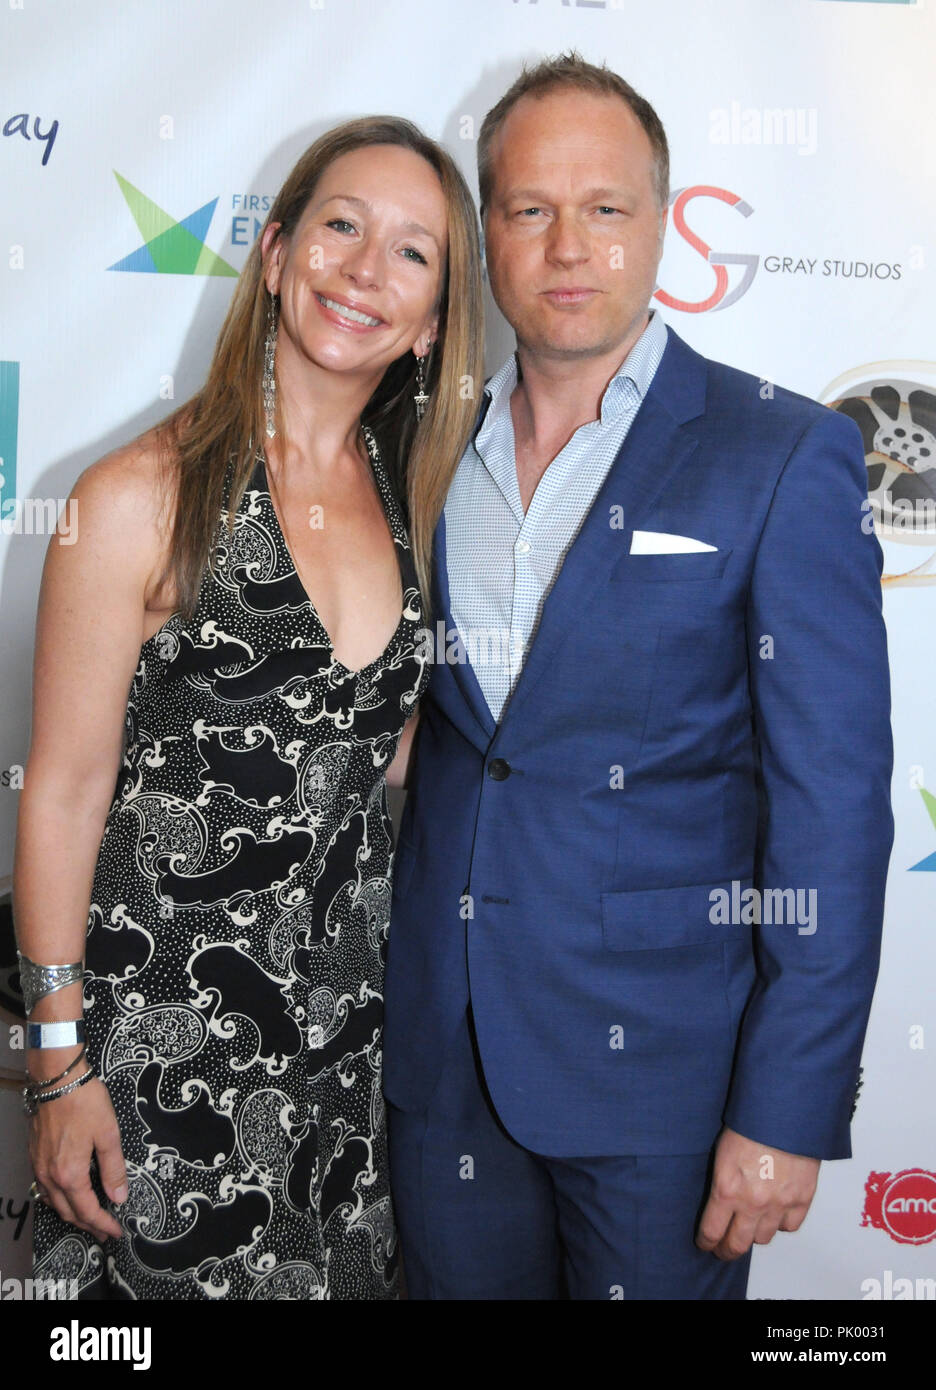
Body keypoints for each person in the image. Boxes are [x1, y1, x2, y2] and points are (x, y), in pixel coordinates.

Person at [383, 53, 894, 1300]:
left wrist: (788, 1105)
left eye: (605, 208)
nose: (569, 245)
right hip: (443, 1066)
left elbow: (832, 815)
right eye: (529, 208)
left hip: (668, 1086)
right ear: (485, 232)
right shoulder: (415, 442)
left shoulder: (784, 457)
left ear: (663, 224)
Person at [15, 115, 483, 1299]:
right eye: (340, 225)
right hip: (152, 1062)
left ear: (432, 324)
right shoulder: (138, 496)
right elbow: (61, 794)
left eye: (412, 253)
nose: (365, 269)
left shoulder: (411, 505)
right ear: (275, 254)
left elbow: (383, 776)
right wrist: (58, 1066)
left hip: (339, 1064)